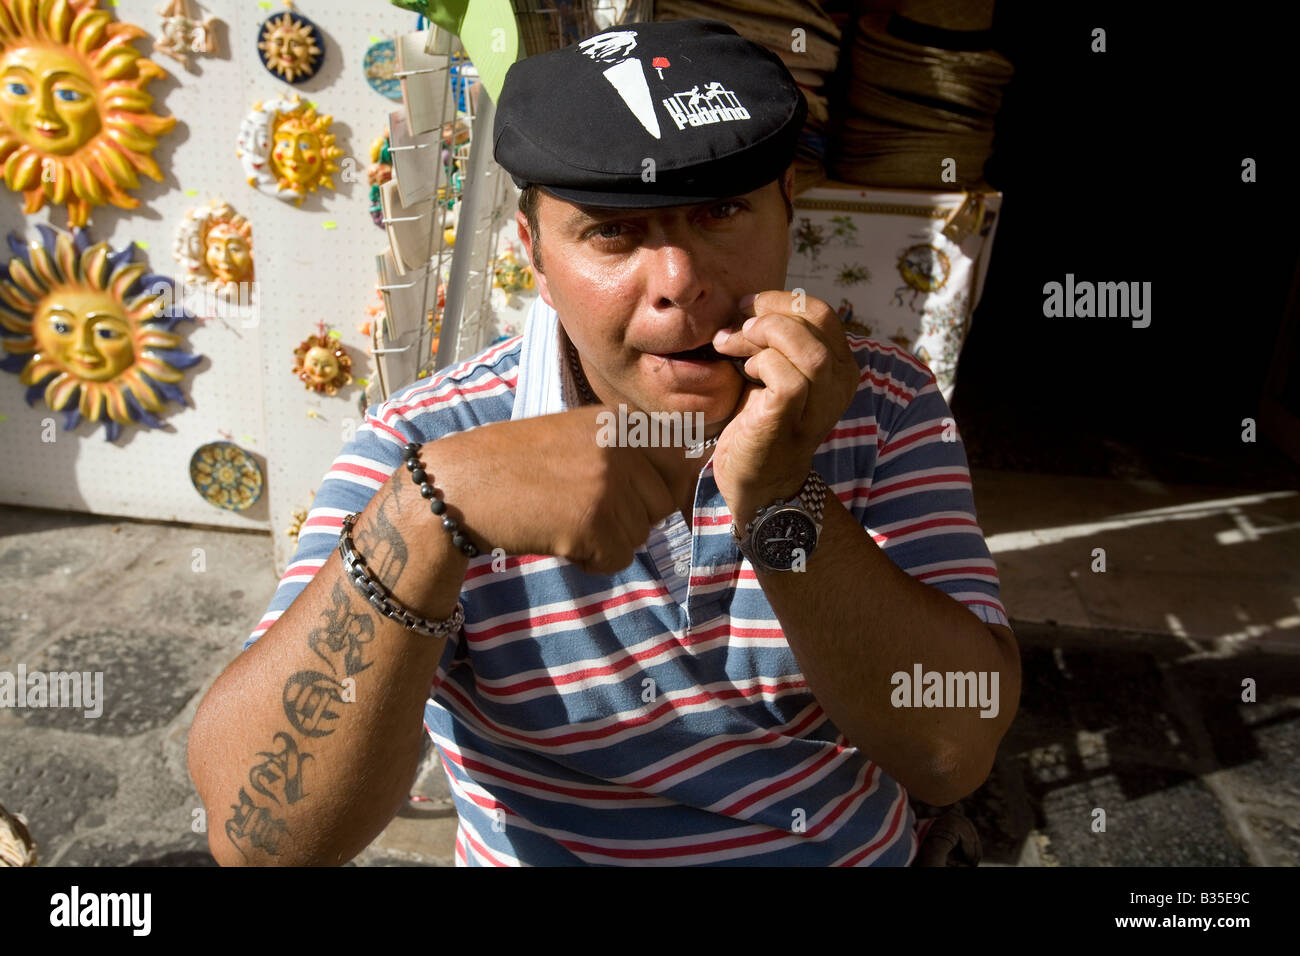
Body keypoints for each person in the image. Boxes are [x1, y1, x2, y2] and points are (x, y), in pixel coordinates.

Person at [188, 18, 1020, 866]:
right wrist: (433, 514)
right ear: (536, 258)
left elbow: (952, 752)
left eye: (722, 211)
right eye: (613, 232)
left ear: (788, 211)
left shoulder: (880, 405)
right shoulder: (425, 442)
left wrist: (778, 496)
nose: (679, 284)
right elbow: (265, 845)